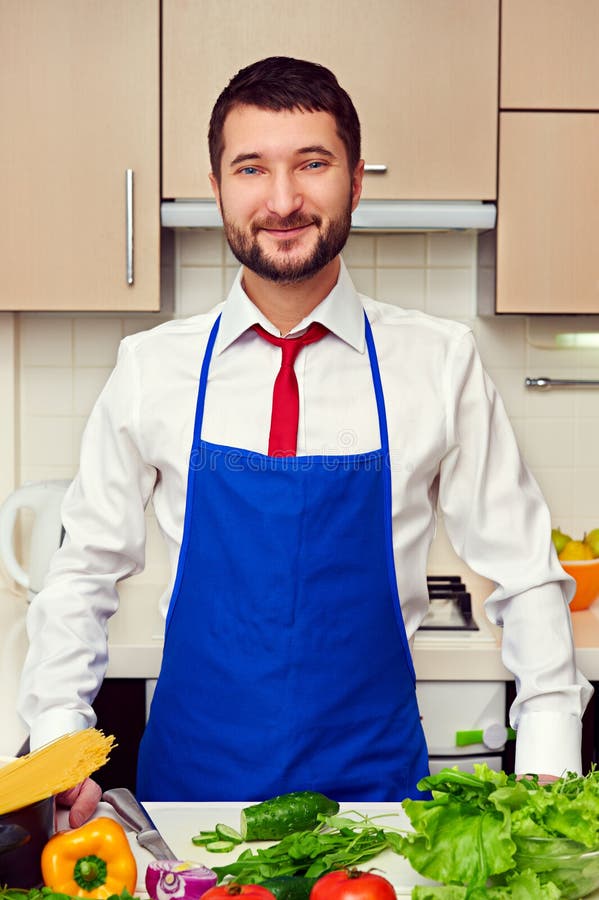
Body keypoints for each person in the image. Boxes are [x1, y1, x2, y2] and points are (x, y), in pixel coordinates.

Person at [19, 56, 591, 826]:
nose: (282, 200)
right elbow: (83, 573)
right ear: (218, 185)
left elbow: (524, 573)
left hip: (379, 803)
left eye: (311, 164)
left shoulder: (437, 360)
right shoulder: (152, 367)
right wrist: (57, 739)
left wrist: (549, 758)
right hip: (190, 799)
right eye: (250, 167)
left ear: (355, 181)